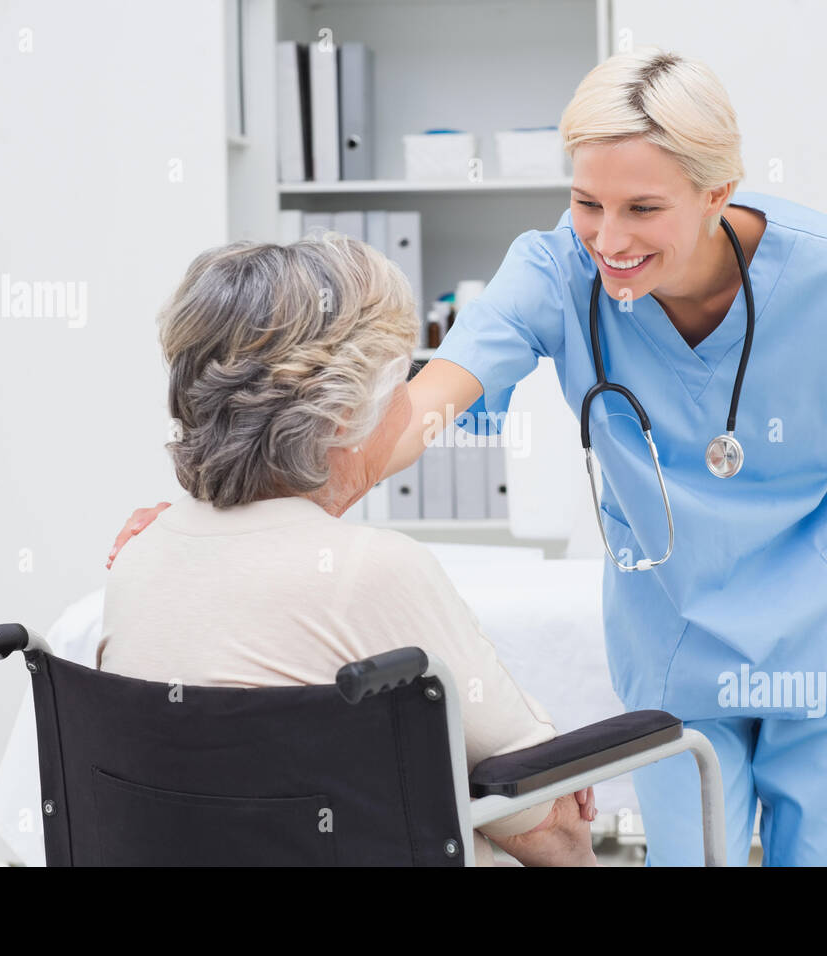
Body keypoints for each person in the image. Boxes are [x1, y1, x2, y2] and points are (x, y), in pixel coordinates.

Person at [112, 47, 827, 866]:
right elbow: (431, 400)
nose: (608, 240)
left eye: (642, 210)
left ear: (715, 193)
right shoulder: (552, 271)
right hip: (680, 628)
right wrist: (237, 521)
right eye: (587, 202)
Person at [100, 235, 597, 866]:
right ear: (342, 416)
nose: (413, 400)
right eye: (400, 379)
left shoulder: (139, 556)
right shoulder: (374, 570)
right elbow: (543, 816)